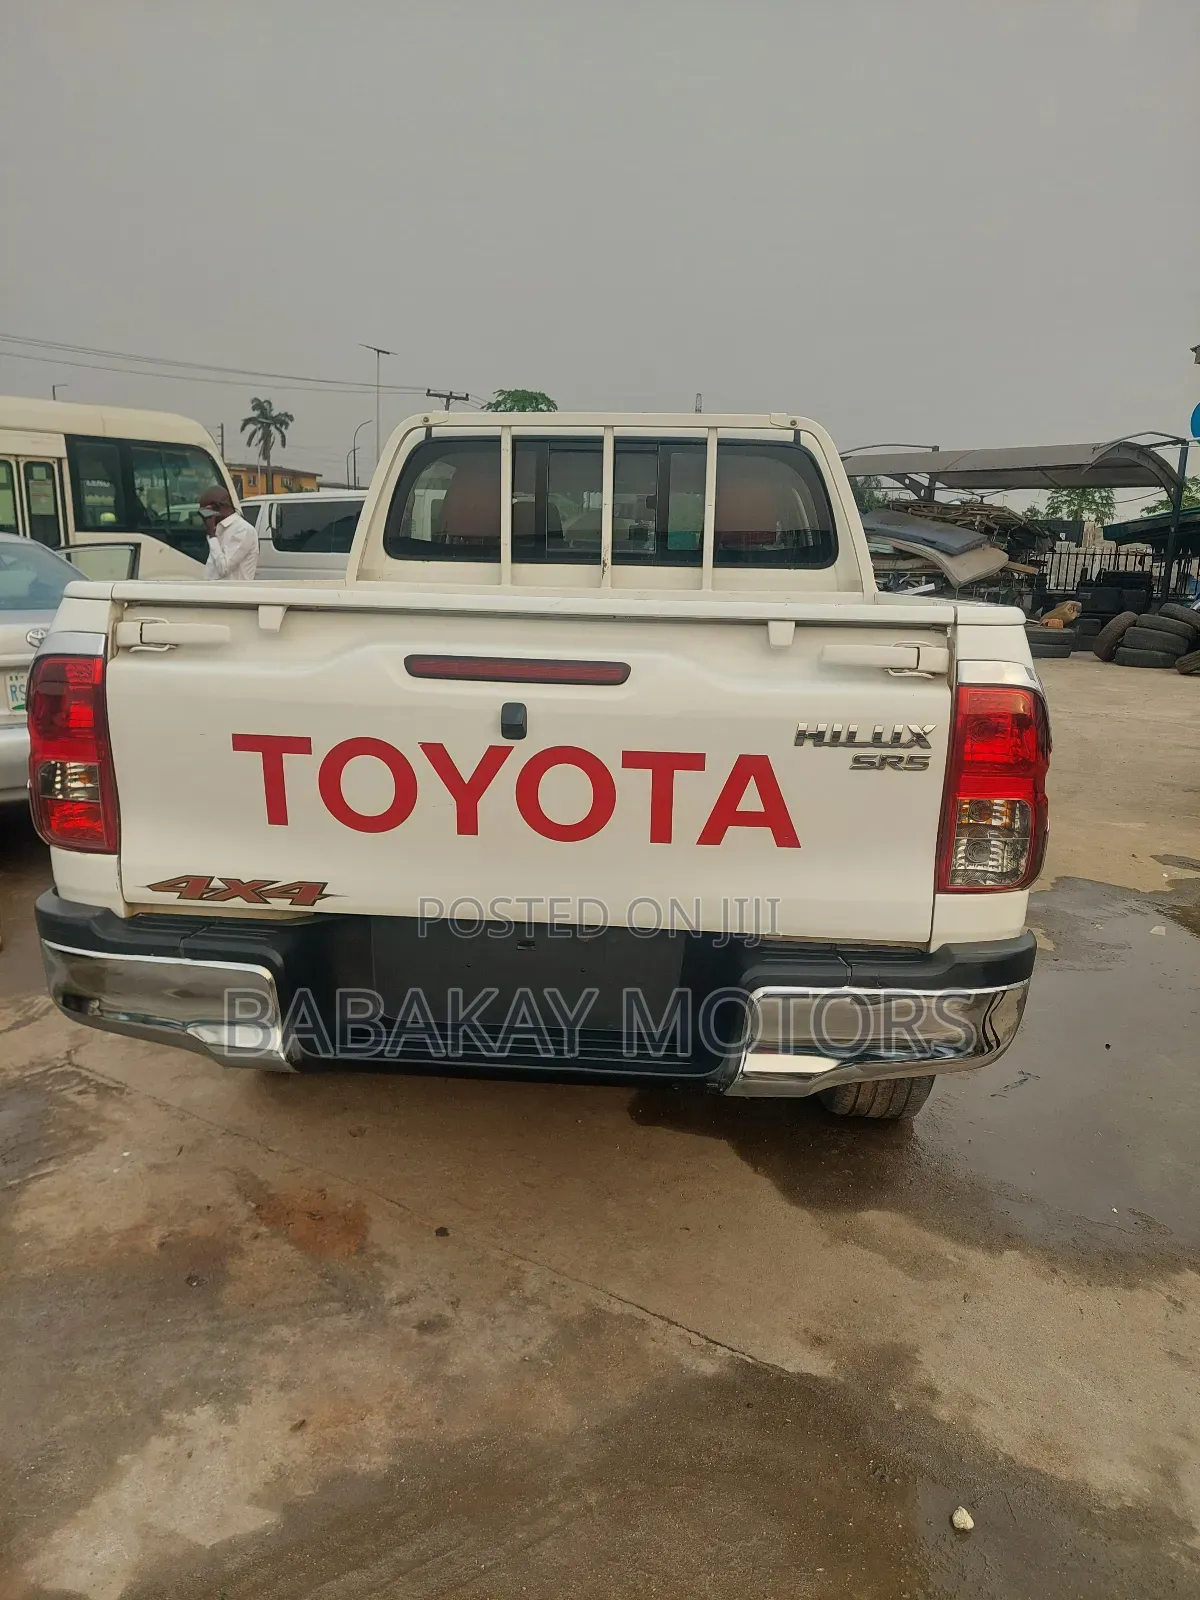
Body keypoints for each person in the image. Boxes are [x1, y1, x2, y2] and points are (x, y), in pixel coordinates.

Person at [198, 488, 258, 580]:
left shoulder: (242, 530)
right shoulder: (220, 529)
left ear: (217, 507)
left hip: (233, 591)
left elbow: (224, 569)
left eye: (205, 512)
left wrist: (212, 535)